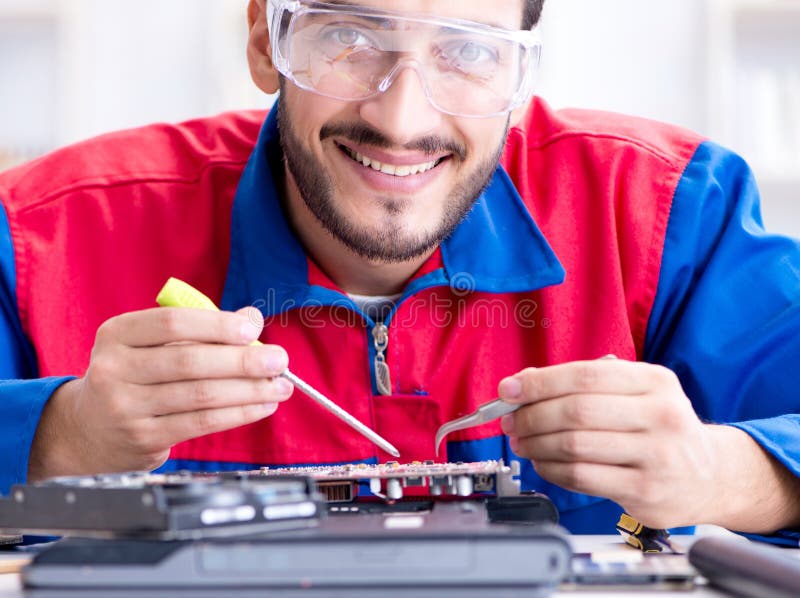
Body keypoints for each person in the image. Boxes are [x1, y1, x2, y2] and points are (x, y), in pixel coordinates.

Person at [0, 0, 798, 538]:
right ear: (263, 39)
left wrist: (715, 470)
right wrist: (61, 438)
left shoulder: (672, 212)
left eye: (468, 51)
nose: (401, 117)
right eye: (348, 38)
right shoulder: (39, 232)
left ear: (521, 69)